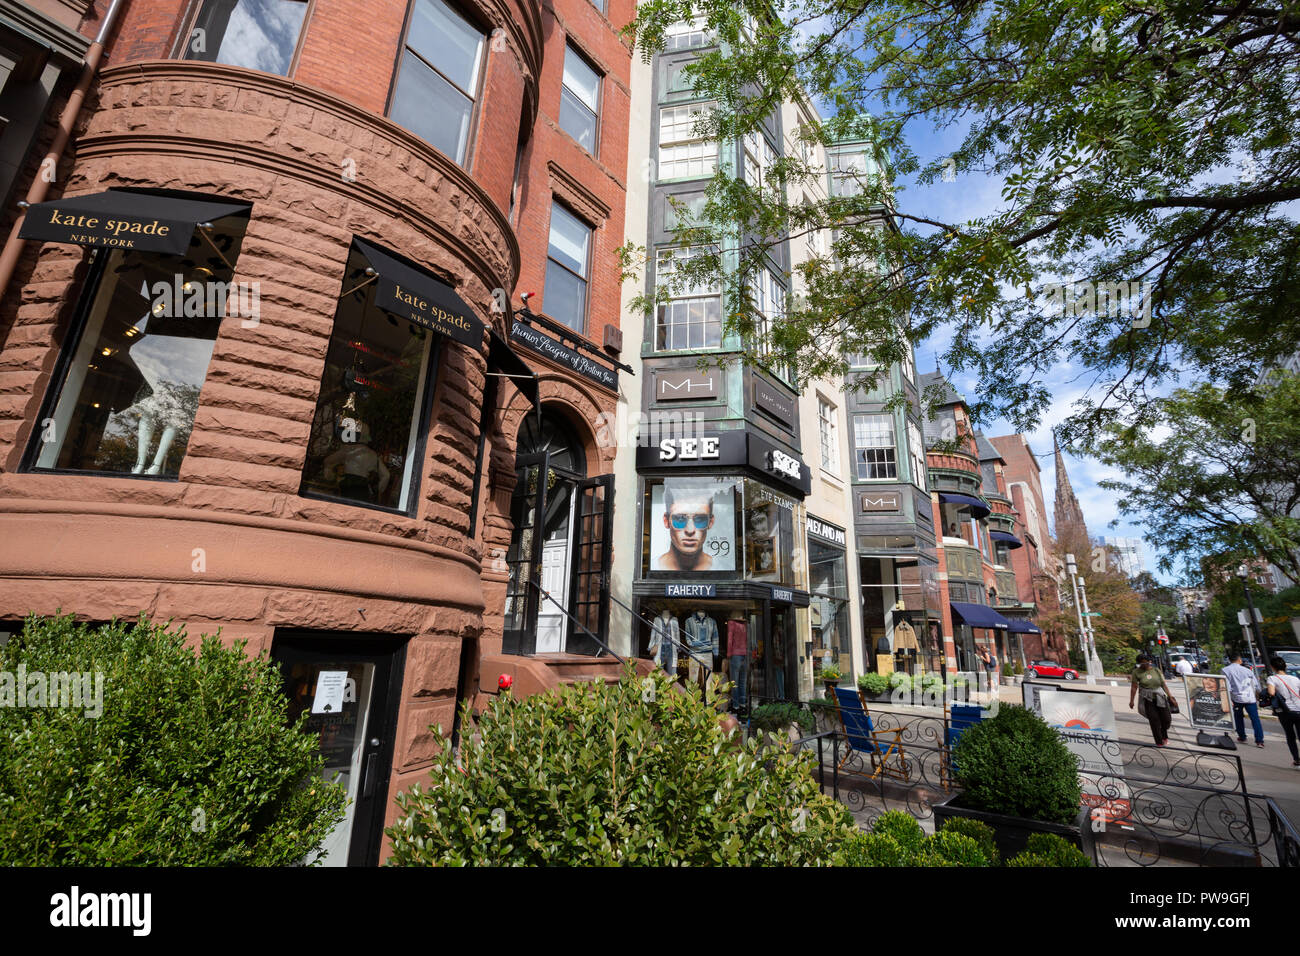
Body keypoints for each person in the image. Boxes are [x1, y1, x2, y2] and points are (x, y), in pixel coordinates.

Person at [656, 485, 716, 571]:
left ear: (710, 522)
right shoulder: (652, 567)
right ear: (666, 521)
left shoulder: (724, 568)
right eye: (680, 519)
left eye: (699, 519)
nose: (690, 530)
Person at [1129, 653, 1175, 746]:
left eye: (1147, 662)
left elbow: (1163, 684)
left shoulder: (1156, 670)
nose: (1145, 665)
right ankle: (1159, 742)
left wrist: (1170, 696)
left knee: (1166, 719)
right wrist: (1132, 700)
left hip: (1160, 697)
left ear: (1150, 662)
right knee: (1154, 720)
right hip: (1147, 699)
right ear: (1139, 663)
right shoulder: (1136, 672)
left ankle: (1164, 735)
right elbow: (1134, 687)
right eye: (1142, 663)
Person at [1223, 653, 1265, 747]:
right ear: (1239, 660)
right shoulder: (1247, 670)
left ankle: (1242, 736)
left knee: (1238, 718)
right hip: (1250, 698)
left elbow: (1227, 686)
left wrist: (1228, 699)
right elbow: (1256, 685)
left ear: (1230, 660)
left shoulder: (1225, 670)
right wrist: (1259, 695)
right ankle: (1259, 740)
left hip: (1236, 698)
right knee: (1255, 719)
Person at [1266, 657, 1300, 769]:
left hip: (1285, 711)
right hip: (1299, 710)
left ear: (1273, 667)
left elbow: (1271, 692)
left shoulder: (1272, 678)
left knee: (1290, 736)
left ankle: (1297, 760)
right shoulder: (1295, 679)